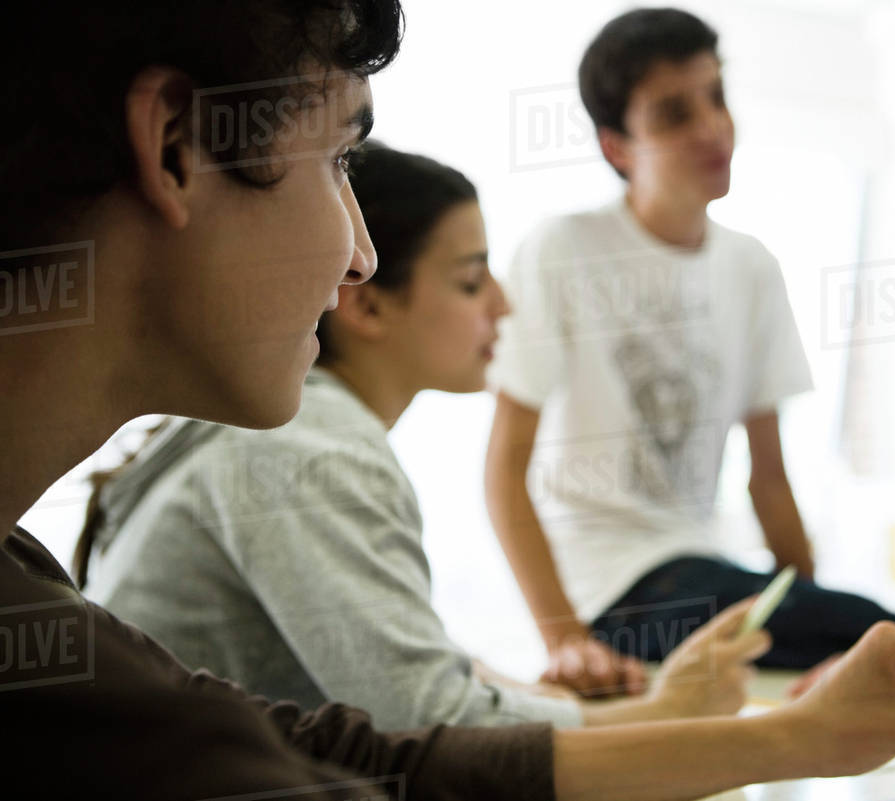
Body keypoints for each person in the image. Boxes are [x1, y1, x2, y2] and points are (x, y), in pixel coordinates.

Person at [0, 1, 895, 799]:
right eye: (338, 161)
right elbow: (415, 721)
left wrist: (793, 731)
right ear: (171, 150)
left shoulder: (43, 613)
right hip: (637, 589)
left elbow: (365, 752)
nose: (354, 253)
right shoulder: (313, 453)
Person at [76, 144, 767, 731]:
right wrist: (660, 712)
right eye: (471, 280)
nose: (504, 302)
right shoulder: (309, 449)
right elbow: (433, 722)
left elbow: (416, 669)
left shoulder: (301, 431)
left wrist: (550, 696)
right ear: (367, 301)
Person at [485, 6, 895, 698]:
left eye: (717, 98)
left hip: (701, 575)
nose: (711, 128)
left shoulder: (750, 267)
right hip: (613, 588)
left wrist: (811, 619)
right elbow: (504, 468)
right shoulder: (563, 249)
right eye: (673, 114)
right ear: (617, 146)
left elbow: (769, 480)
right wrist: (566, 641)